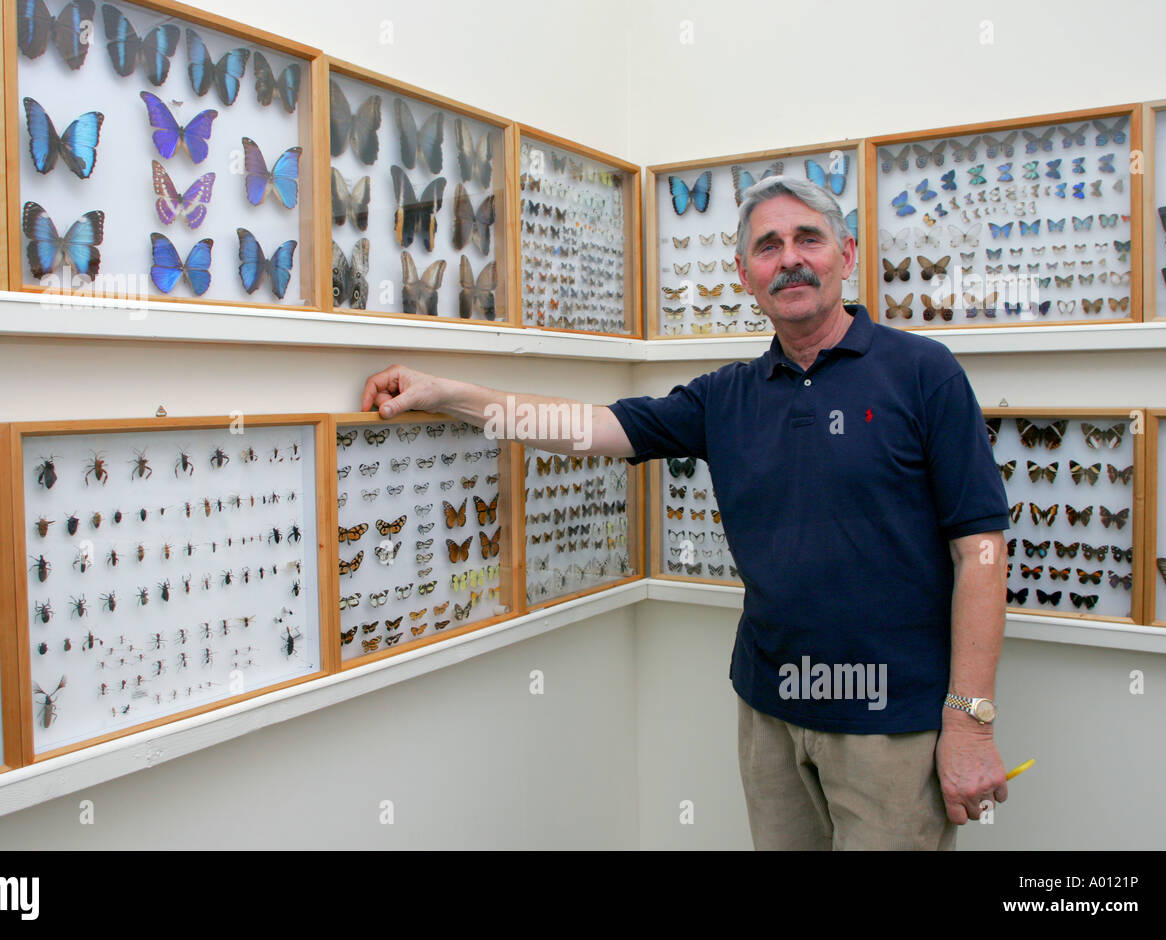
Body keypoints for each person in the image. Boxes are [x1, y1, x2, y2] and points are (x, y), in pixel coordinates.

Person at [361, 175, 1011, 850]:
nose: (789, 258)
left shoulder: (923, 373)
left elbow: (981, 551)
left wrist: (970, 722)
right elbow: (588, 427)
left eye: (807, 239)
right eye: (767, 246)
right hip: (771, 710)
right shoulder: (726, 397)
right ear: (744, 275)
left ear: (844, 255)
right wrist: (447, 393)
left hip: (892, 722)